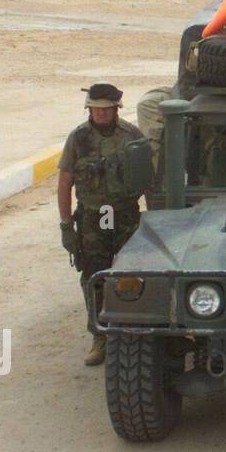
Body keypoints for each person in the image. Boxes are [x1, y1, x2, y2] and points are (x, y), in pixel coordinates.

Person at [57, 83, 147, 366]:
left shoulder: (132, 137)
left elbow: (148, 182)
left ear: (116, 110)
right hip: (92, 218)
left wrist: (159, 224)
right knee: (94, 276)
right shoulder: (78, 139)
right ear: (89, 109)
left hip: (125, 216)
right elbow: (64, 183)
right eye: (96, 109)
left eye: (106, 109)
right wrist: (65, 225)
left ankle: (131, 333)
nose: (101, 114)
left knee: (130, 276)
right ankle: (100, 336)